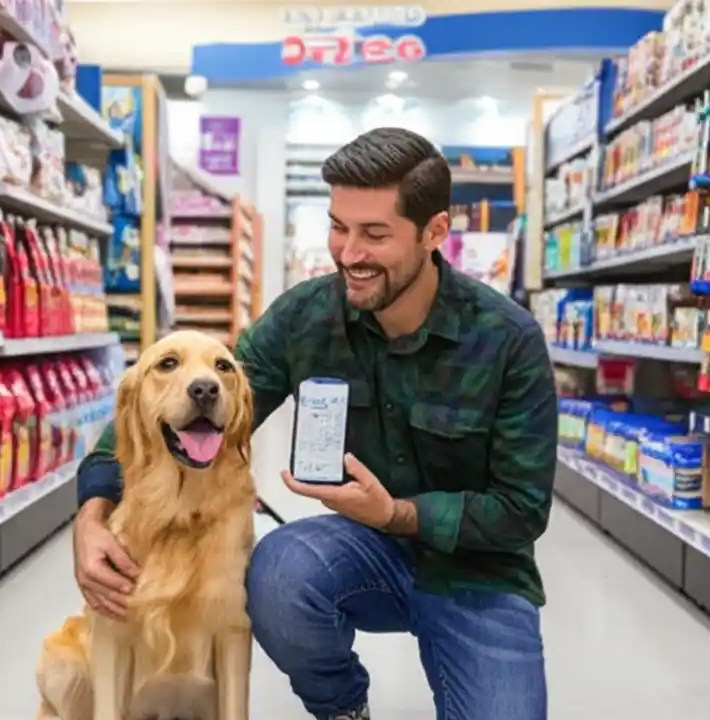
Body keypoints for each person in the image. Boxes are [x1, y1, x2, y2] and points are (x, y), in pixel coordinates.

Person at [74, 127, 557, 720]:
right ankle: (343, 708)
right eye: (338, 227)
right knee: (278, 573)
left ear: (435, 231)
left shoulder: (507, 340)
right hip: (368, 550)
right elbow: (174, 410)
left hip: (479, 574)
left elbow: (522, 510)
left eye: (374, 234)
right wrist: (92, 516)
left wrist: (398, 513)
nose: (348, 253)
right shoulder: (307, 316)